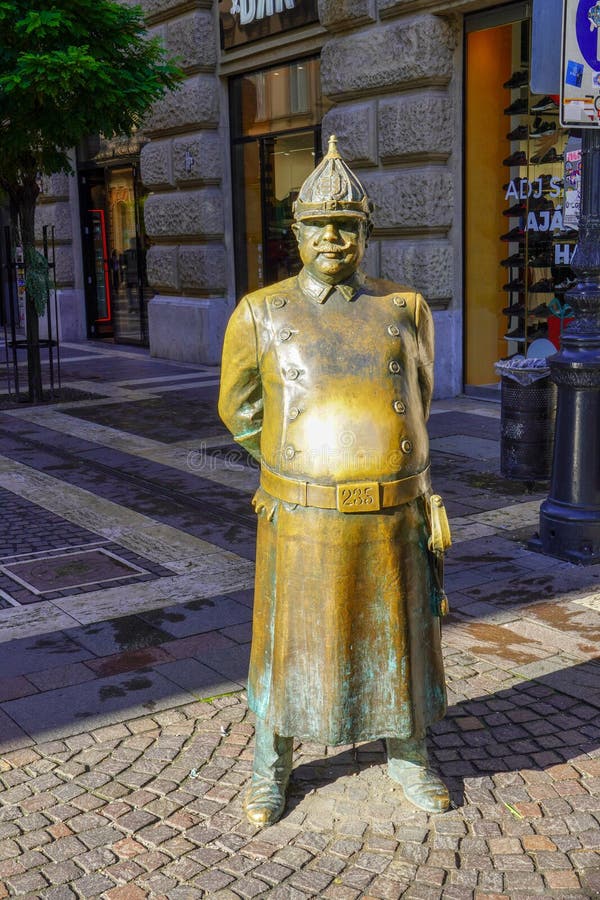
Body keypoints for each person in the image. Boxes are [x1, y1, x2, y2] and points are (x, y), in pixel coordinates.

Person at [218, 136, 451, 827]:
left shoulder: (404, 307)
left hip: (392, 511)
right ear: (295, 231)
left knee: (402, 640)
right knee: (289, 644)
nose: (332, 238)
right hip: (302, 515)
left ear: (365, 233)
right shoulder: (262, 312)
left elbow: (419, 396)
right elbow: (239, 409)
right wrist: (303, 464)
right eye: (318, 224)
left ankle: (410, 752)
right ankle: (272, 762)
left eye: (346, 226)